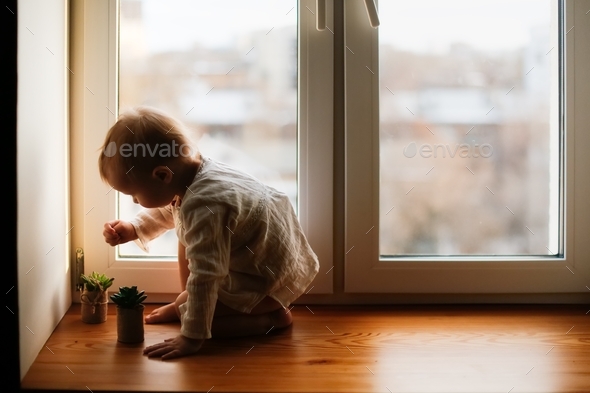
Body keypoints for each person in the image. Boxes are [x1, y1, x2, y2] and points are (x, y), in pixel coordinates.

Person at [99, 107, 319, 360]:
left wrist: (191, 337)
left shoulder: (205, 204)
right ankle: (186, 304)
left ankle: (271, 318)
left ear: (162, 175)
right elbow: (173, 210)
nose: (135, 201)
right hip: (254, 259)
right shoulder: (192, 173)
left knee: (205, 325)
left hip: (262, 281)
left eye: (133, 195)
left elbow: (206, 274)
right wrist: (134, 228)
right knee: (189, 248)